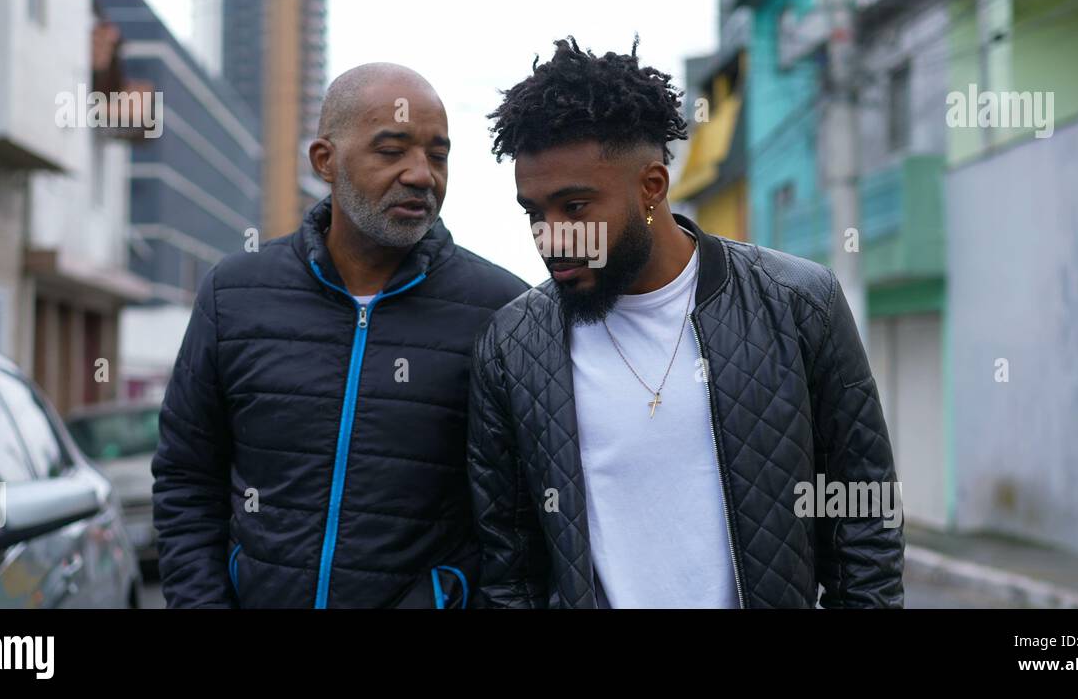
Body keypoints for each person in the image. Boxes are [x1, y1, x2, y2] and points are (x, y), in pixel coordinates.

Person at [467, 37, 904, 608]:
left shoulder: (798, 304)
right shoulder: (513, 348)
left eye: (575, 208)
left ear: (652, 188)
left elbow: (863, 519)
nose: (550, 237)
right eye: (534, 212)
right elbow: (509, 565)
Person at [154, 63, 527, 608]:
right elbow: (186, 479)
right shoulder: (234, 294)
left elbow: (515, 515)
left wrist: (448, 595)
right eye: (392, 150)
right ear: (325, 161)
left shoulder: (501, 311)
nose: (422, 174)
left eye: (438, 155)